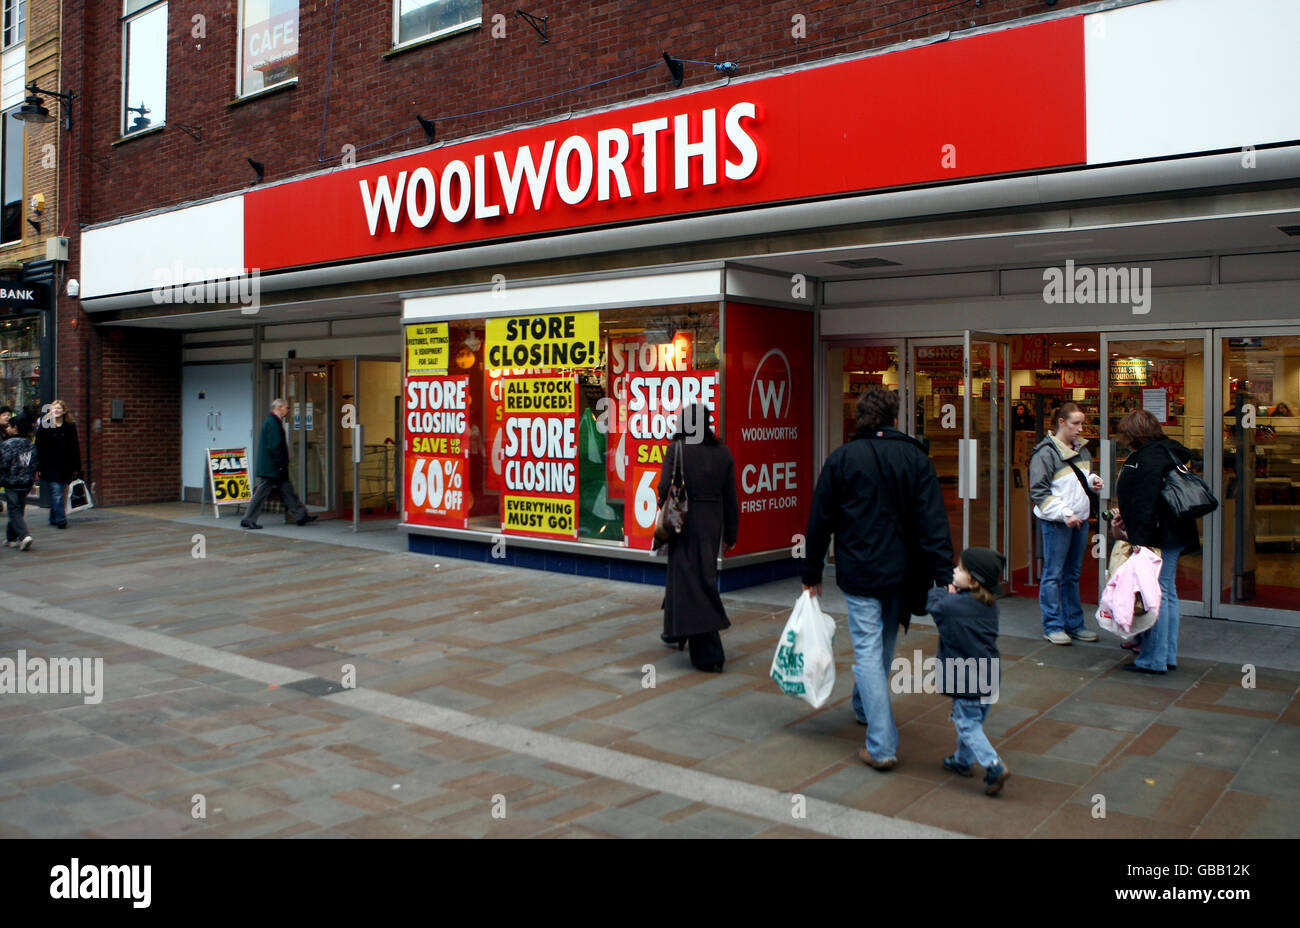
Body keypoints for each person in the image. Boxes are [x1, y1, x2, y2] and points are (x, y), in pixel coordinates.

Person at [802, 386, 954, 771]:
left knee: (870, 652)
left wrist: (811, 572)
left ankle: (882, 744)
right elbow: (932, 520)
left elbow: (820, 519)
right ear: (895, 419)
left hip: (860, 570)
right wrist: (943, 573)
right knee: (882, 649)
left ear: (860, 419)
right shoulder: (916, 458)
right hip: (903, 575)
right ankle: (864, 706)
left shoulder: (843, 459)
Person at [1114, 408, 1202, 674]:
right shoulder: (1169, 451)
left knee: (1157, 596)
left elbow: (1144, 503)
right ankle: (1167, 654)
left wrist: (1137, 539)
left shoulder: (1146, 459)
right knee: (1168, 594)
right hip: (1175, 531)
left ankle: (1153, 659)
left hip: (1157, 535)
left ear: (1133, 434)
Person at [655, 403, 738, 672]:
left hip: (684, 521)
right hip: (712, 521)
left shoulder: (677, 449)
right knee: (700, 575)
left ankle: (709, 652)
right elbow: (731, 498)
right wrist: (732, 533)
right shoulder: (723, 453)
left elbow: (664, 487)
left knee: (691, 579)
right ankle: (675, 631)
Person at [927, 546, 1010, 795]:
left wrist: (944, 592)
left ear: (974, 580)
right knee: (974, 721)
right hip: (989, 675)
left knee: (966, 724)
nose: (955, 570)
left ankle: (993, 765)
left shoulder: (952, 606)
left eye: (961, 568)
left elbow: (933, 604)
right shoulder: (990, 607)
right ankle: (962, 761)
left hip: (965, 677)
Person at [1029, 401, 1103, 645]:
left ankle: (1073, 624)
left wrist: (1092, 480)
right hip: (1059, 522)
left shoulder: (1081, 450)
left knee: (1071, 574)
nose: (1080, 428)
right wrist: (1064, 513)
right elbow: (1039, 492)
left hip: (1076, 520)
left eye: (1082, 423)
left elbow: (1076, 480)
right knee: (1054, 574)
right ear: (1061, 422)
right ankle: (1053, 626)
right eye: (1075, 423)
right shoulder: (1045, 453)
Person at [242, 398, 318, 529]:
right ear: (280, 407)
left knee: (287, 490)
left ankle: (301, 515)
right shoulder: (273, 422)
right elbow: (275, 445)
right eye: (287, 408)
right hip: (273, 467)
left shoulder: (272, 421)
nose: (288, 410)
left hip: (273, 466)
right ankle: (248, 519)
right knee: (262, 493)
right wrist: (281, 463)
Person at [34, 399, 81, 529]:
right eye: (54, 408)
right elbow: (38, 447)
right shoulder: (45, 426)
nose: (56, 410)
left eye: (59, 408)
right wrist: (38, 466)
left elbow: (74, 447)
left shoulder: (70, 426)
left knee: (59, 492)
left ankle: (53, 517)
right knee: (56, 492)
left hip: (66, 465)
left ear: (64, 411)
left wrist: (77, 467)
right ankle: (61, 519)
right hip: (50, 465)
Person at [0, 416, 37, 550]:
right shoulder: (30, 444)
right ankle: (11, 538)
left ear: (15, 428)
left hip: (11, 481)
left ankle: (23, 535)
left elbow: (4, 463)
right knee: (18, 508)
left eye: (9, 426)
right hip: (26, 481)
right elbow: (33, 463)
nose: (7, 428)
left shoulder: (8, 445)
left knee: (14, 509)